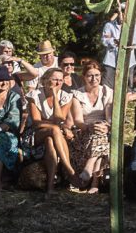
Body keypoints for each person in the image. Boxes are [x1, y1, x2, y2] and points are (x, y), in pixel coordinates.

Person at [26, 68, 76, 194]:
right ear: (46, 80)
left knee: (50, 141)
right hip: (35, 134)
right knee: (54, 129)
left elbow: (59, 119)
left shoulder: (66, 96)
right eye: (54, 79)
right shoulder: (34, 96)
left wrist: (54, 96)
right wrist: (55, 126)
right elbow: (37, 122)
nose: (58, 83)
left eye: (60, 80)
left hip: (54, 135)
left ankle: (50, 187)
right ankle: (69, 169)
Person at [70, 62, 114, 193]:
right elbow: (78, 120)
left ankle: (90, 170)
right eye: (90, 76)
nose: (94, 79)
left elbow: (109, 117)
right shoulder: (77, 94)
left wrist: (107, 126)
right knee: (99, 136)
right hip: (84, 129)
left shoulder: (107, 92)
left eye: (97, 75)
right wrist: (89, 127)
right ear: (84, 77)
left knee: (100, 133)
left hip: (103, 128)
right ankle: (95, 183)